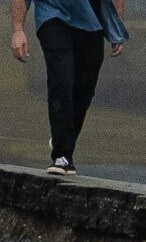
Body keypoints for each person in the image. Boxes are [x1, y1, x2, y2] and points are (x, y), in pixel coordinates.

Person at [8, 0, 129, 175]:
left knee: (84, 89)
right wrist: (18, 30)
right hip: (52, 16)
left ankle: (61, 137)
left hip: (91, 22)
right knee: (61, 80)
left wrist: (116, 27)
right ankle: (62, 155)